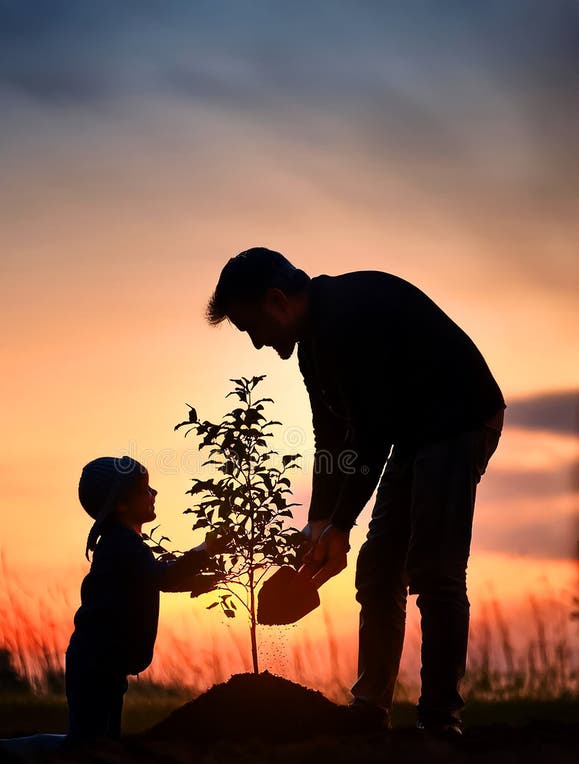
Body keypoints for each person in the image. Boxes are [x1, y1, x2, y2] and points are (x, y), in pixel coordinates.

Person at [206, 247, 506, 738]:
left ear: (277, 301)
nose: (257, 343)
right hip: (416, 435)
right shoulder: (313, 350)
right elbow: (332, 437)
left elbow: (372, 434)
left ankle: (438, 719)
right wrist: (320, 521)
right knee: (378, 567)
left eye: (251, 327)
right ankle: (370, 710)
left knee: (434, 568)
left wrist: (342, 524)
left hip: (460, 420)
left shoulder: (347, 318)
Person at [0, 454, 226, 755]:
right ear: (122, 505)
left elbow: (153, 580)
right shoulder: (122, 545)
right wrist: (205, 550)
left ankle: (2, 752)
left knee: (98, 743)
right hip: (95, 664)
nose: (154, 494)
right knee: (84, 743)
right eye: (144, 489)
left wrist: (199, 581)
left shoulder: (124, 544)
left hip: (104, 664)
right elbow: (161, 577)